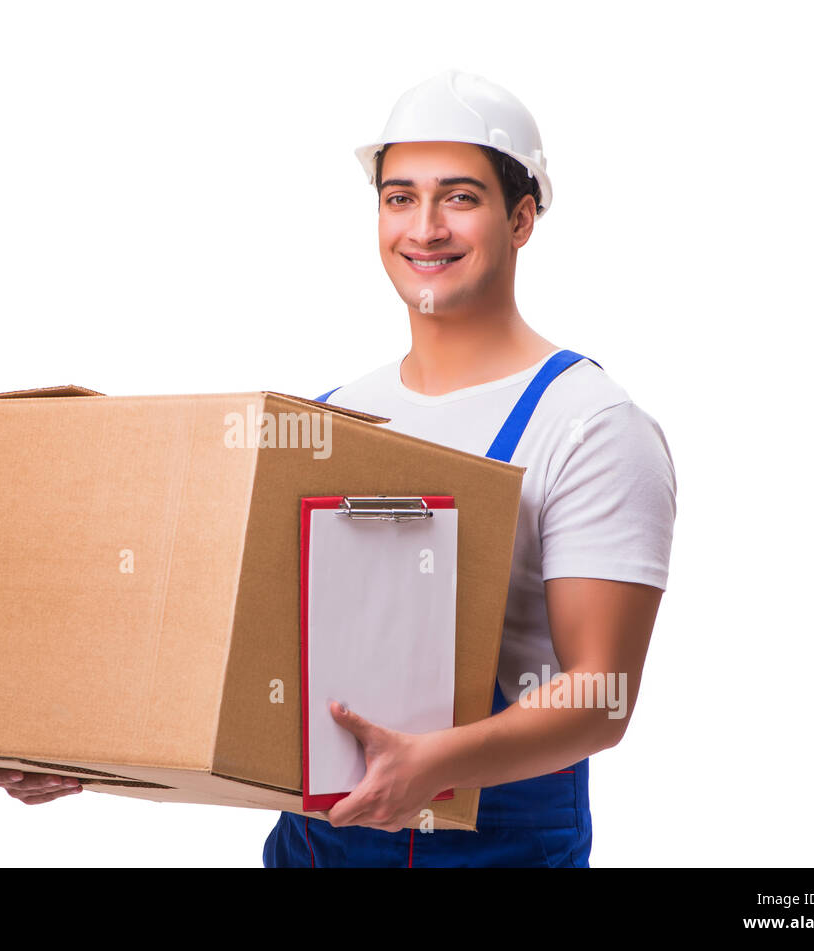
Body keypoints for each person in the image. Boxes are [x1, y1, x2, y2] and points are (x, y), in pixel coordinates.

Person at [259, 69, 677, 867]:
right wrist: (88, 750)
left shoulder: (589, 426)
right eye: (399, 197)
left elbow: (603, 697)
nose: (424, 228)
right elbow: (250, 650)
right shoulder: (328, 416)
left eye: (459, 197)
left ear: (522, 218)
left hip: (495, 848)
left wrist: (434, 767)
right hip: (312, 845)